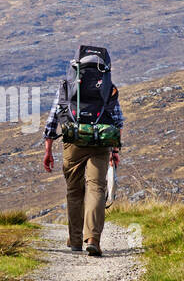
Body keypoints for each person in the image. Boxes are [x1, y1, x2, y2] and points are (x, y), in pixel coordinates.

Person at [42, 45, 123, 257]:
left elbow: (54, 117)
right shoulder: (109, 87)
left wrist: (48, 149)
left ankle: (76, 240)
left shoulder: (66, 86)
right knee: (97, 187)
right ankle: (93, 239)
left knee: (74, 190)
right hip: (101, 141)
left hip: (73, 141)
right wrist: (115, 149)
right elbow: (117, 120)